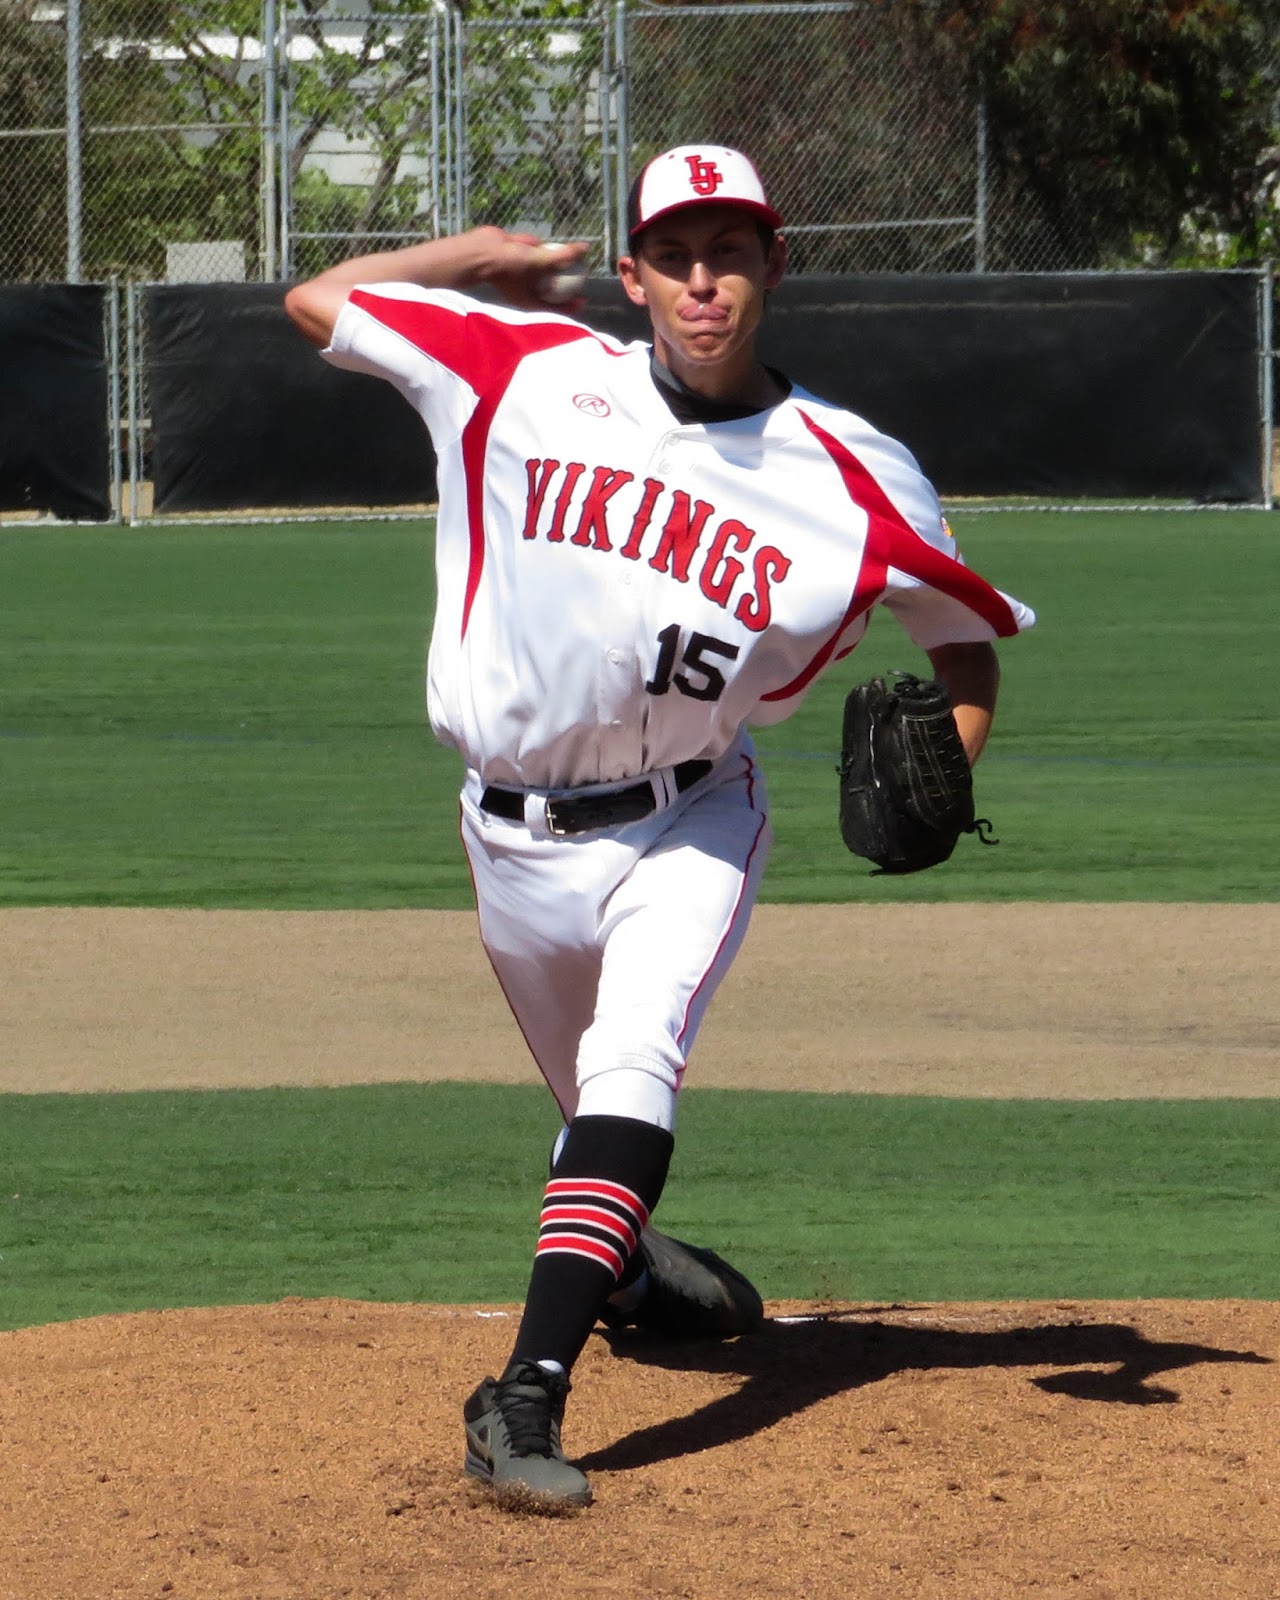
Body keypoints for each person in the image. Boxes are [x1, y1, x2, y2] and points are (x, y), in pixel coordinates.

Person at [284, 144, 1035, 1513]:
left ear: (772, 267)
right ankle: (622, 1258)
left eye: (731, 250)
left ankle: (523, 1394)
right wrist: (478, 257)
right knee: (592, 1117)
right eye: (676, 254)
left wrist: (953, 775)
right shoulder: (520, 366)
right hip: (504, 836)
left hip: (691, 819)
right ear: (631, 275)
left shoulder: (856, 476)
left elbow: (970, 644)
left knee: (638, 1062)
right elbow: (319, 298)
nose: (705, 280)